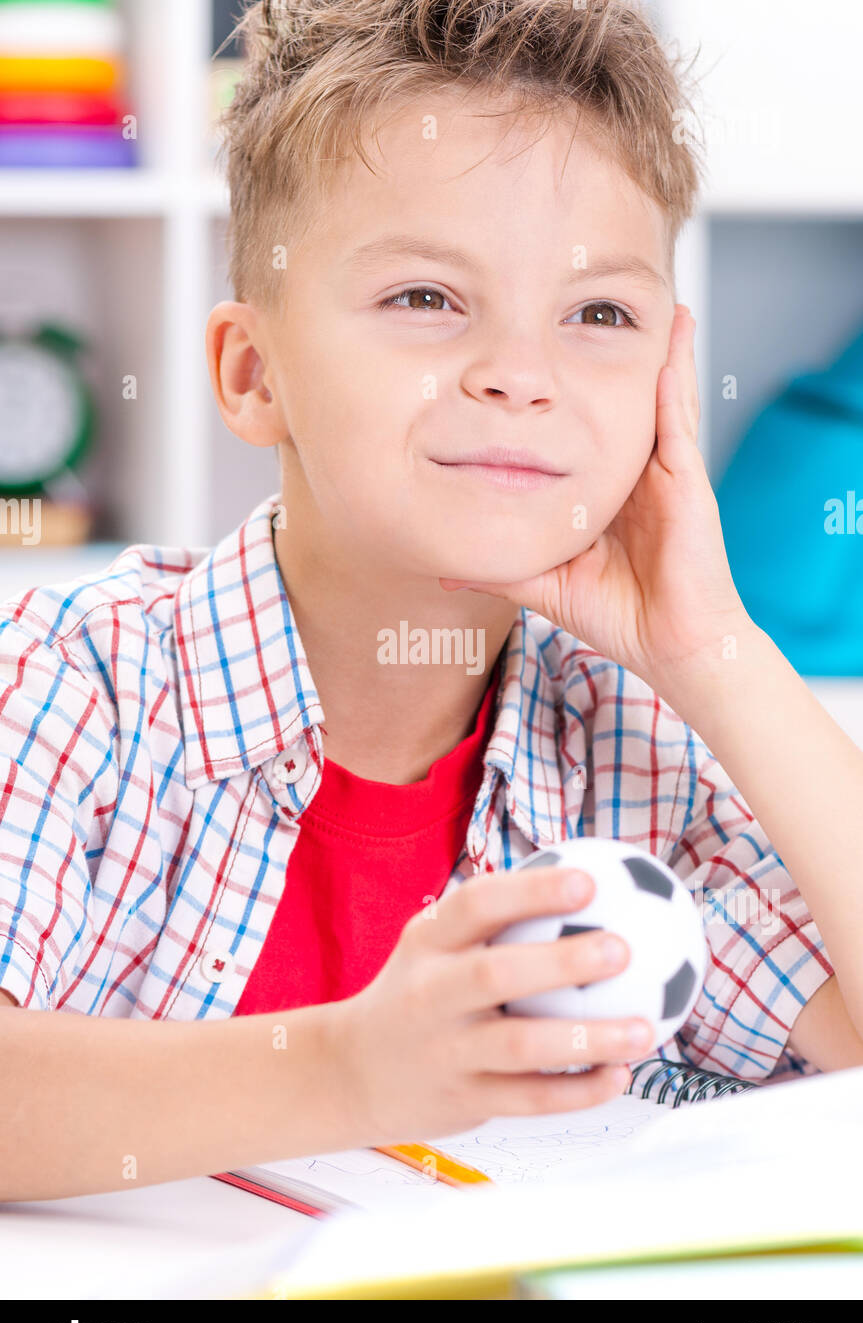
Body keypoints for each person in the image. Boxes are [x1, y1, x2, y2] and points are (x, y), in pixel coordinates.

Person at [1, 0, 860, 1203]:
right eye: (424, 298)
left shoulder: (636, 754)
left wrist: (713, 646)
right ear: (254, 375)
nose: (517, 372)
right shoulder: (80, 686)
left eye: (597, 314)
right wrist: (353, 1066)